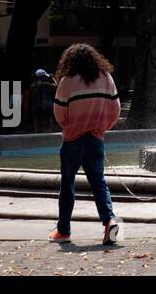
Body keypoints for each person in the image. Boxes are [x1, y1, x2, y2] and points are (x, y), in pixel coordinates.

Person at [49, 43, 122, 244]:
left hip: (72, 140)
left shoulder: (66, 82)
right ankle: (110, 220)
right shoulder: (106, 79)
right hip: (95, 139)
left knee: (67, 185)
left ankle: (63, 232)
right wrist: (103, 127)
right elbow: (116, 109)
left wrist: (69, 126)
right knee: (99, 183)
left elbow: (59, 113)